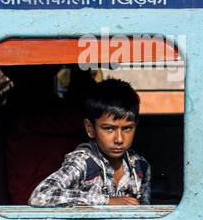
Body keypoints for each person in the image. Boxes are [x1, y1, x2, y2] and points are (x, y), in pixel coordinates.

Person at [27, 77, 151, 207]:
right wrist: (106, 200)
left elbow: (146, 210)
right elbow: (40, 195)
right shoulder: (83, 162)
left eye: (127, 128)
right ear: (90, 128)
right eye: (109, 129)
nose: (119, 139)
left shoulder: (140, 166)